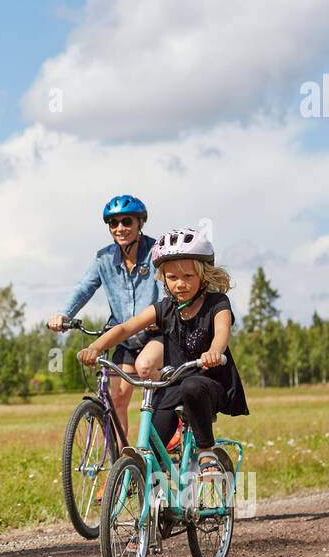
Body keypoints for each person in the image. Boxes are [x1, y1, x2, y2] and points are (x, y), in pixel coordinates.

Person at [77, 227, 249, 478]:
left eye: (188, 276)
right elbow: (126, 327)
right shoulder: (164, 307)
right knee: (152, 449)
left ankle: (206, 450)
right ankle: (153, 498)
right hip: (172, 385)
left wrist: (214, 351)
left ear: (203, 274)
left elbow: (222, 331)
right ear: (163, 279)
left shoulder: (217, 303)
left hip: (210, 383)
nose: (180, 284)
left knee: (192, 386)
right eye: (172, 278)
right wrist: (96, 347)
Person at [47, 195, 164, 444]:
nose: (120, 228)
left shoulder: (156, 253)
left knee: (145, 368)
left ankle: (157, 442)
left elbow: (170, 286)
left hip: (155, 334)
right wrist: (63, 314)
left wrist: (163, 312)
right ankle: (123, 468)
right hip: (122, 338)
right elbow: (83, 288)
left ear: (140, 223)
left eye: (126, 221)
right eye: (113, 223)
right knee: (117, 398)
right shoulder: (103, 259)